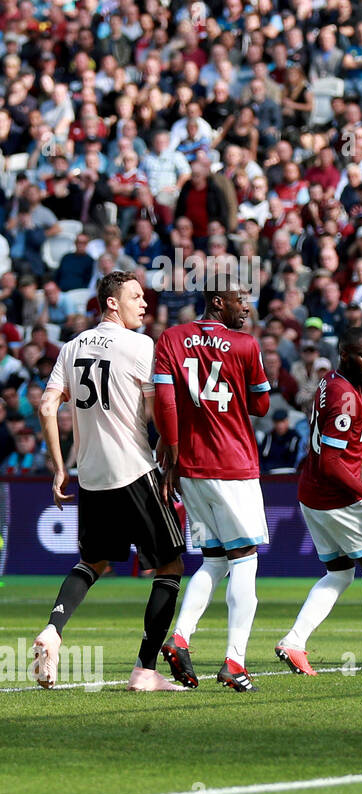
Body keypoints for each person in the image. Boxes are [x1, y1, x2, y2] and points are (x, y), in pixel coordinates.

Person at [32, 271, 188, 691]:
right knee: (170, 563)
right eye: (136, 297)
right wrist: (171, 451)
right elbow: (158, 412)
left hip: (92, 475)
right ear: (111, 302)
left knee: (93, 562)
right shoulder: (140, 346)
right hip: (134, 470)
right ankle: (144, 670)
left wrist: (60, 466)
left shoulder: (71, 347)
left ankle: (53, 629)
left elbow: (48, 406)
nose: (145, 304)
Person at [153, 289, 271, 692]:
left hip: (189, 467)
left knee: (215, 560)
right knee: (245, 559)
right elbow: (261, 406)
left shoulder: (171, 337)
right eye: (241, 300)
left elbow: (165, 402)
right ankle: (234, 661)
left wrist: (170, 455)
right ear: (218, 302)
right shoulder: (244, 345)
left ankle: (181, 637)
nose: (247, 307)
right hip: (233, 464)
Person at [276, 329, 362, 676]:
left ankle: (293, 642)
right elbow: (332, 463)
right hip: (338, 498)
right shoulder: (346, 398)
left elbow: (341, 430)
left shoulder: (330, 382)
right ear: (344, 355)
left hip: (312, 493)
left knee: (340, 573)